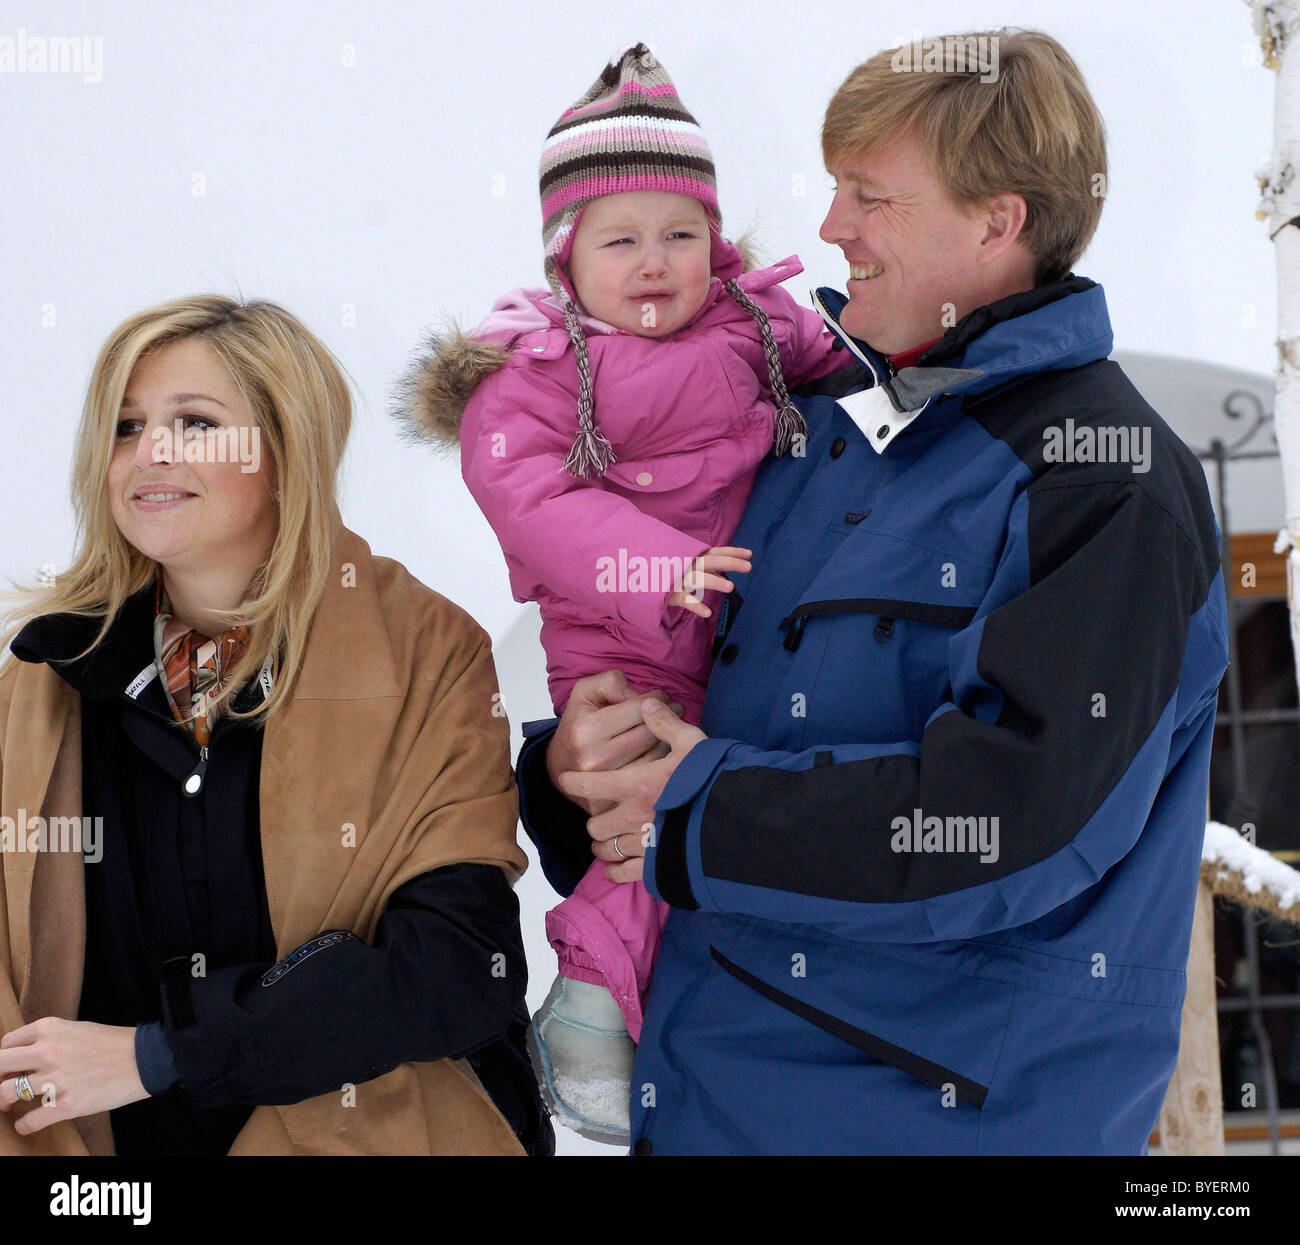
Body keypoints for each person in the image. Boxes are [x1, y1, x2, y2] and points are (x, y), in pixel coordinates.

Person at [513, 28, 1230, 1155]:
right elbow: (701, 732)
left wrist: (697, 807)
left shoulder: (1104, 479)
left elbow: (1016, 818)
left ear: (998, 221)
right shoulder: (815, 438)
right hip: (710, 1098)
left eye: (869, 196)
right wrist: (579, 772)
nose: (831, 228)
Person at [398, 43, 848, 1142]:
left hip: (743, 621)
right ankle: (591, 1009)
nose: (654, 263)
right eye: (621, 240)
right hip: (622, 636)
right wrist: (654, 568)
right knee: (641, 814)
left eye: (679, 235)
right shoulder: (540, 365)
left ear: (716, 238)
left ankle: (671, 1012)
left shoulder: (752, 320)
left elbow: (850, 363)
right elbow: (526, 495)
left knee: (714, 813)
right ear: (565, 255)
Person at [0, 295, 552, 1156]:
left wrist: (162, 1053)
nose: (149, 452)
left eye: (193, 422)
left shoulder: (426, 653)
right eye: (125, 425)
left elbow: (455, 970)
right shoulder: (41, 683)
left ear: (284, 450)